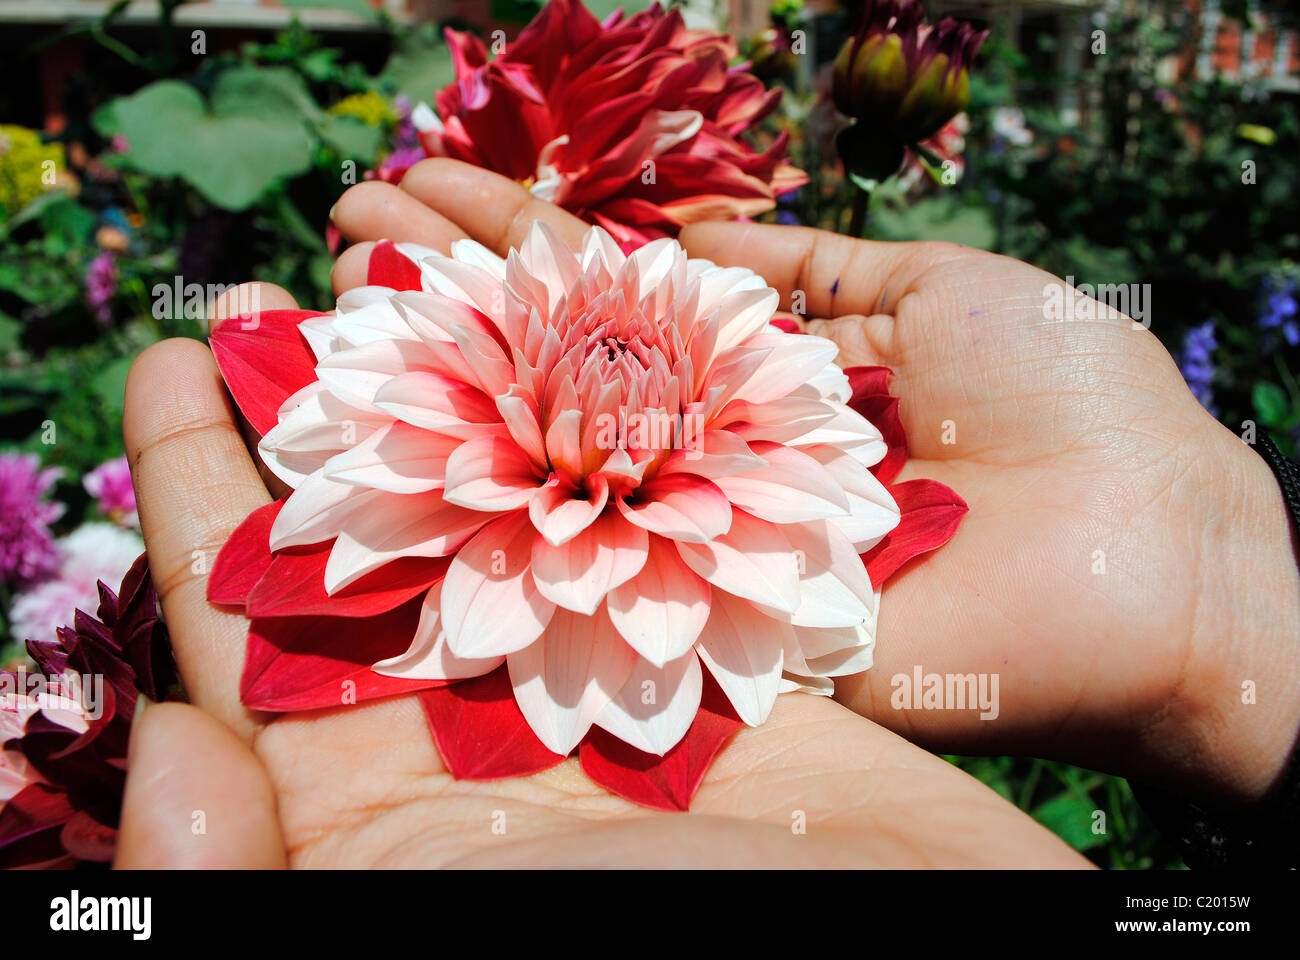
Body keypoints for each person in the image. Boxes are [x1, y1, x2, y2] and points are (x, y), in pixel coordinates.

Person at [113, 159, 1300, 868]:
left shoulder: (799, 423)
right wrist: (1234, 602)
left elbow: (867, 494)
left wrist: (1228, 595)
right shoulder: (415, 369)